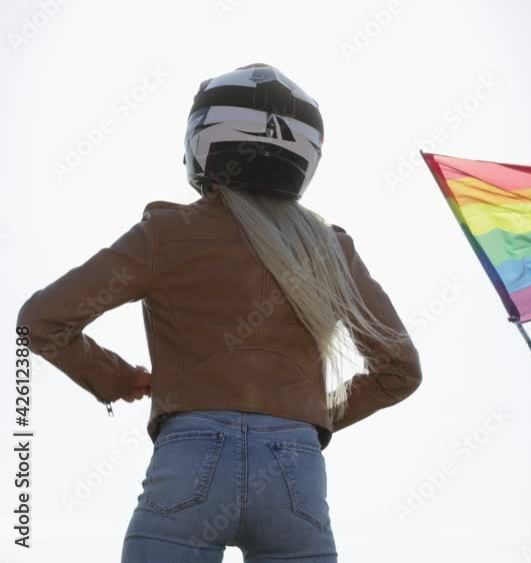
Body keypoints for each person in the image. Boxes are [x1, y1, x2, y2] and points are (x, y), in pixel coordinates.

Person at [16, 63, 422, 562]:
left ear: (202, 140)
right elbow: (400, 371)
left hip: (190, 458)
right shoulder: (331, 251)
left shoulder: (167, 234)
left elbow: (40, 321)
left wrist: (120, 378)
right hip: (295, 473)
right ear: (306, 156)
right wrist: (307, 414)